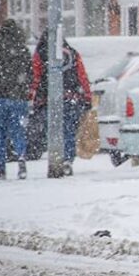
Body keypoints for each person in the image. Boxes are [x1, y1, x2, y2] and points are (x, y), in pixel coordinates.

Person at [30, 36, 92, 176]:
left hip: (48, 100)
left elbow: (35, 76)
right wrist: (87, 96)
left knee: (53, 130)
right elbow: (82, 75)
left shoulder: (41, 52)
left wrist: (34, 97)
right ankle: (68, 159)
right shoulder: (72, 53)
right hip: (72, 98)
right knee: (69, 130)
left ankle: (56, 157)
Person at [0, 19, 32, 180]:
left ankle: (1, 168)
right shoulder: (23, 50)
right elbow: (30, 74)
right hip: (18, 98)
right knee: (18, 130)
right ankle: (21, 159)